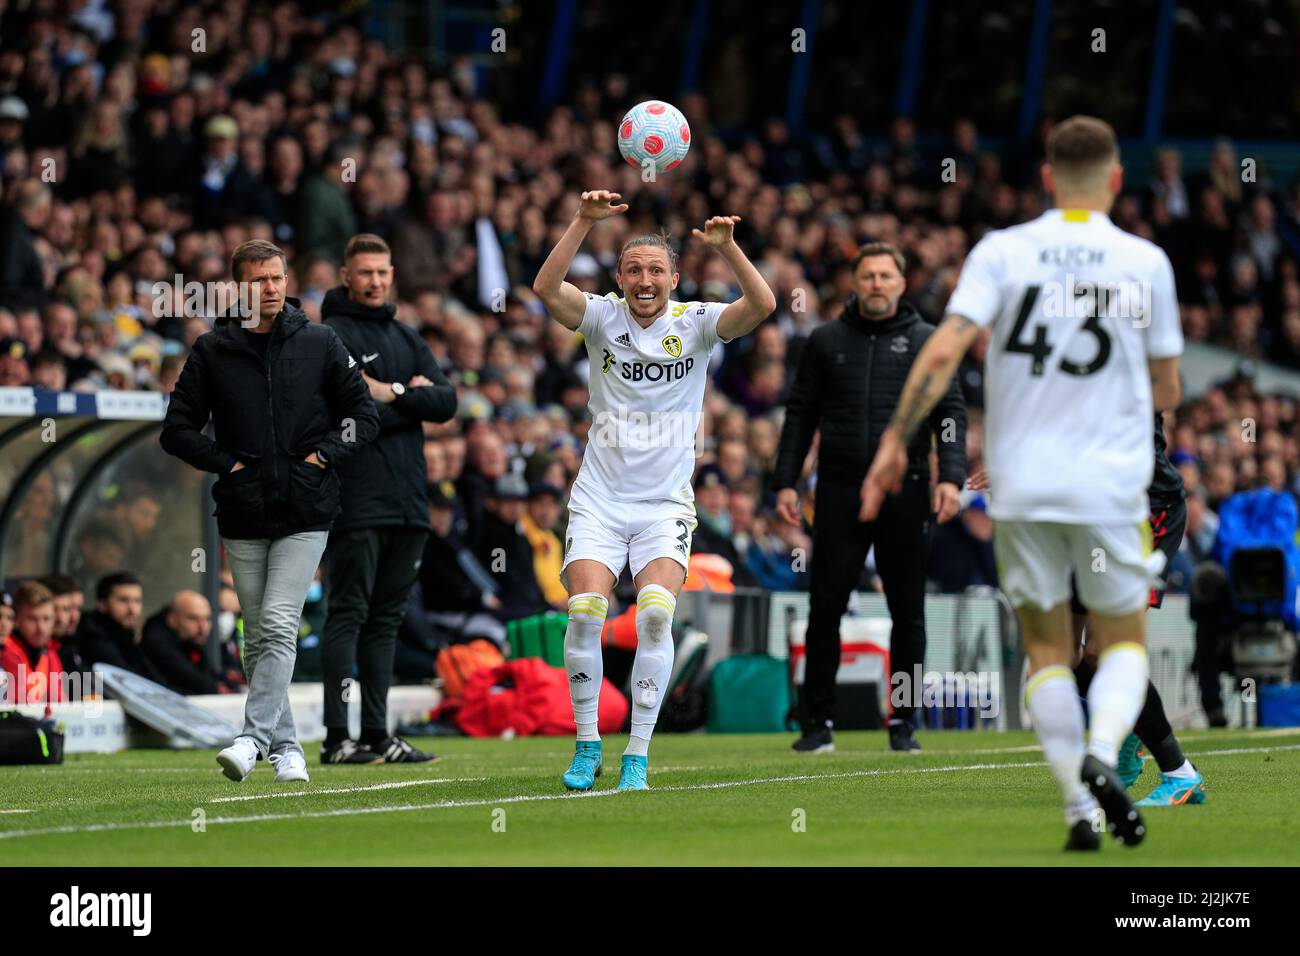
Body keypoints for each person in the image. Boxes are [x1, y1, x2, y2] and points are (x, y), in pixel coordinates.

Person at [862, 116, 1184, 851]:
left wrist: (893, 440)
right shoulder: (1145, 262)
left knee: (1046, 653)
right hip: (1108, 486)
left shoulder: (1001, 252)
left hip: (1025, 487)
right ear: (1113, 180)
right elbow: (1167, 386)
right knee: (1122, 641)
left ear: (1044, 178)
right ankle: (1105, 749)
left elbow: (945, 347)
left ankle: (1078, 805)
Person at [532, 190, 776, 791]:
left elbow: (764, 304)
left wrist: (729, 248)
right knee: (586, 615)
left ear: (674, 278)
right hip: (599, 499)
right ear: (619, 278)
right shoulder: (600, 317)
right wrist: (584, 222)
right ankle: (588, 745)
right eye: (634, 270)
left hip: (664, 504)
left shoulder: (696, 323)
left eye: (656, 270)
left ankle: (637, 754)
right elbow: (545, 288)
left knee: (655, 620)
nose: (645, 280)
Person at [160, 239, 379, 784]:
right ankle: (289, 749)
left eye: (278, 277)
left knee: (279, 623)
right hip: (243, 510)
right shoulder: (214, 351)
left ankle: (251, 738)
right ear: (239, 287)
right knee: (257, 635)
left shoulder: (321, 342)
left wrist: (322, 457)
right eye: (259, 280)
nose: (272, 288)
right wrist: (227, 465)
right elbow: (177, 430)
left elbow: (363, 415)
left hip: (308, 509)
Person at [775, 241, 967, 754]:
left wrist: (951, 476)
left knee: (908, 613)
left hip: (907, 494)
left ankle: (903, 721)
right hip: (838, 491)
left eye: (886, 275)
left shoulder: (929, 341)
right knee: (825, 608)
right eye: (868, 276)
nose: (877, 284)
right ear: (854, 284)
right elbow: (799, 416)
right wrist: (786, 481)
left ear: (902, 284)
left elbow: (949, 413)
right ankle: (817, 724)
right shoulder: (824, 340)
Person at [319, 234, 456, 766]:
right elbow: (355, 412)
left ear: (392, 274)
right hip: (357, 500)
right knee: (348, 614)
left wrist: (392, 391)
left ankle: (376, 734)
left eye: (382, 272)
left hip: (408, 502)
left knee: (387, 620)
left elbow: (445, 402)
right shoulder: (329, 336)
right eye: (365, 272)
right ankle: (337, 738)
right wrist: (408, 397)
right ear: (345, 275)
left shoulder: (405, 334)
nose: (375, 281)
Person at [141, 591, 242, 696]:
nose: (202, 627)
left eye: (207, 619)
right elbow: (189, 676)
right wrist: (217, 688)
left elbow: (207, 670)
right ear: (172, 619)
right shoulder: (157, 642)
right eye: (193, 618)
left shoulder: (189, 640)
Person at [74, 572, 156, 681]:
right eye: (123, 600)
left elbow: (150, 675)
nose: (132, 609)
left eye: (137, 601)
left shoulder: (126, 633)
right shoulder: (92, 634)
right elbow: (128, 679)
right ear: (102, 604)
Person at [0, 582, 64, 704]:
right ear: (17, 620)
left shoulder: (50, 653)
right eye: (32, 619)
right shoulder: (6, 652)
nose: (41, 628)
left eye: (46, 619)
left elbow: (60, 702)